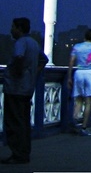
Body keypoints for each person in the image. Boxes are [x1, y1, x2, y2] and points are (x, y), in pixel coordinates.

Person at [2, 17, 48, 165]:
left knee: (14, 122)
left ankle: (17, 154)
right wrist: (34, 72)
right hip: (28, 87)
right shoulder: (34, 43)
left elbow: (19, 57)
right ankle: (23, 152)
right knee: (24, 121)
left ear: (19, 29)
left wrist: (17, 73)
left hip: (15, 88)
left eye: (13, 27)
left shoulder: (20, 42)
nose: (11, 30)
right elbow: (44, 60)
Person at [67, 29, 91, 135]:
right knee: (88, 102)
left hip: (79, 72)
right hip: (90, 73)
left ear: (84, 37)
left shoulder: (77, 47)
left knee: (78, 100)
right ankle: (84, 127)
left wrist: (69, 77)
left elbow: (71, 62)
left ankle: (74, 121)